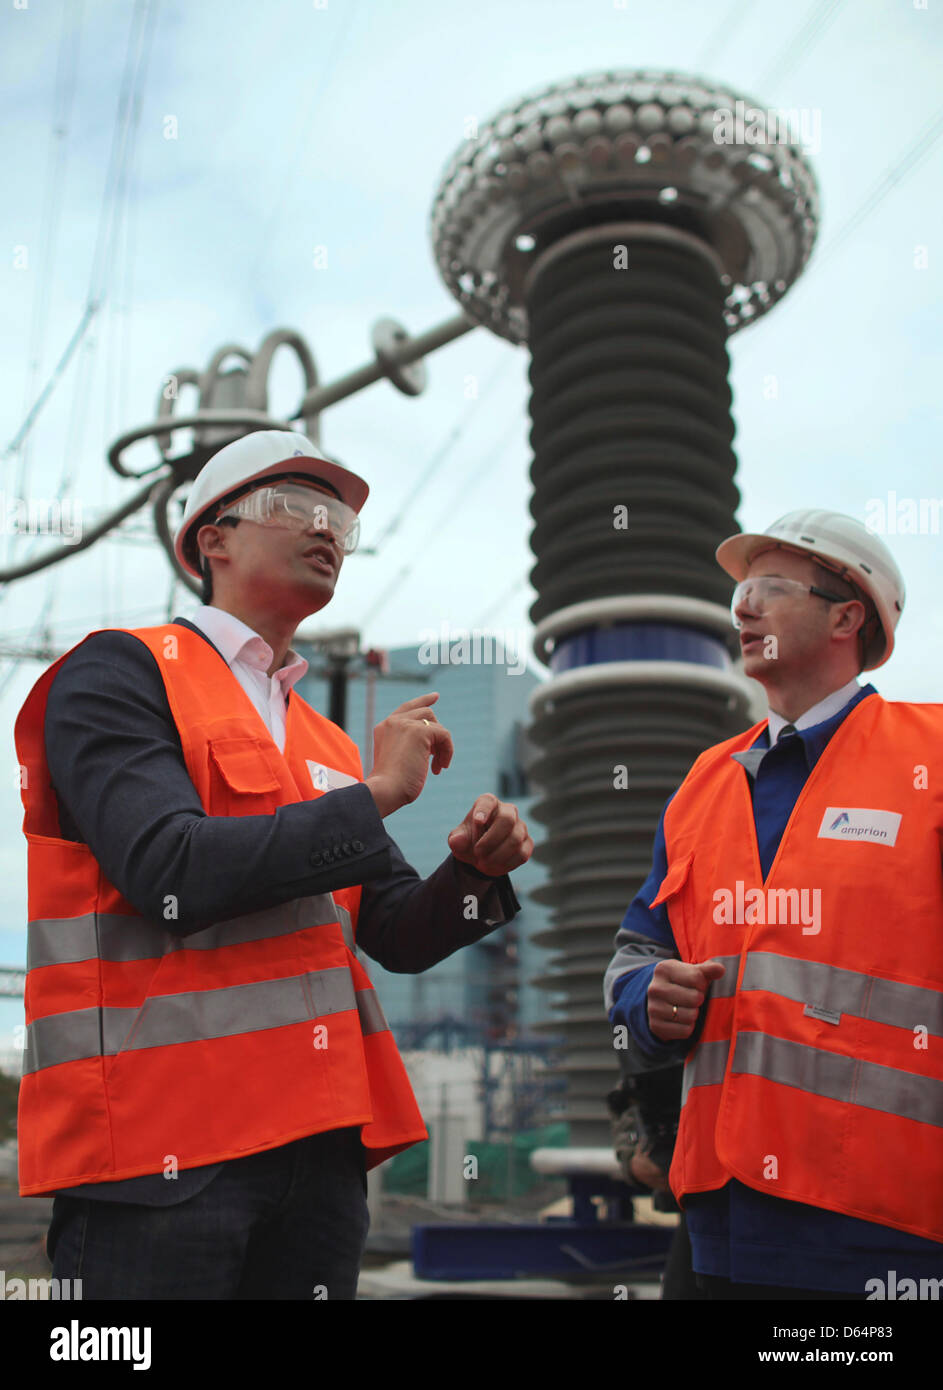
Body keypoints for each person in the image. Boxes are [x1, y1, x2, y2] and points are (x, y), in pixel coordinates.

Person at [14, 428, 533, 1300]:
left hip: (319, 1160)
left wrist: (477, 878)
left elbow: (397, 934)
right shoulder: (121, 672)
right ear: (209, 538)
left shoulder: (321, 738)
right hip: (161, 1154)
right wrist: (374, 798)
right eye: (296, 506)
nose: (327, 530)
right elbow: (167, 870)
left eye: (338, 518)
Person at [604, 509, 943, 1299]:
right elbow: (636, 953)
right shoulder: (702, 784)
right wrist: (645, 1000)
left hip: (881, 1223)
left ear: (845, 616)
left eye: (768, 588)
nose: (741, 608)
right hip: (718, 1219)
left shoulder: (929, 760)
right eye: (740, 591)